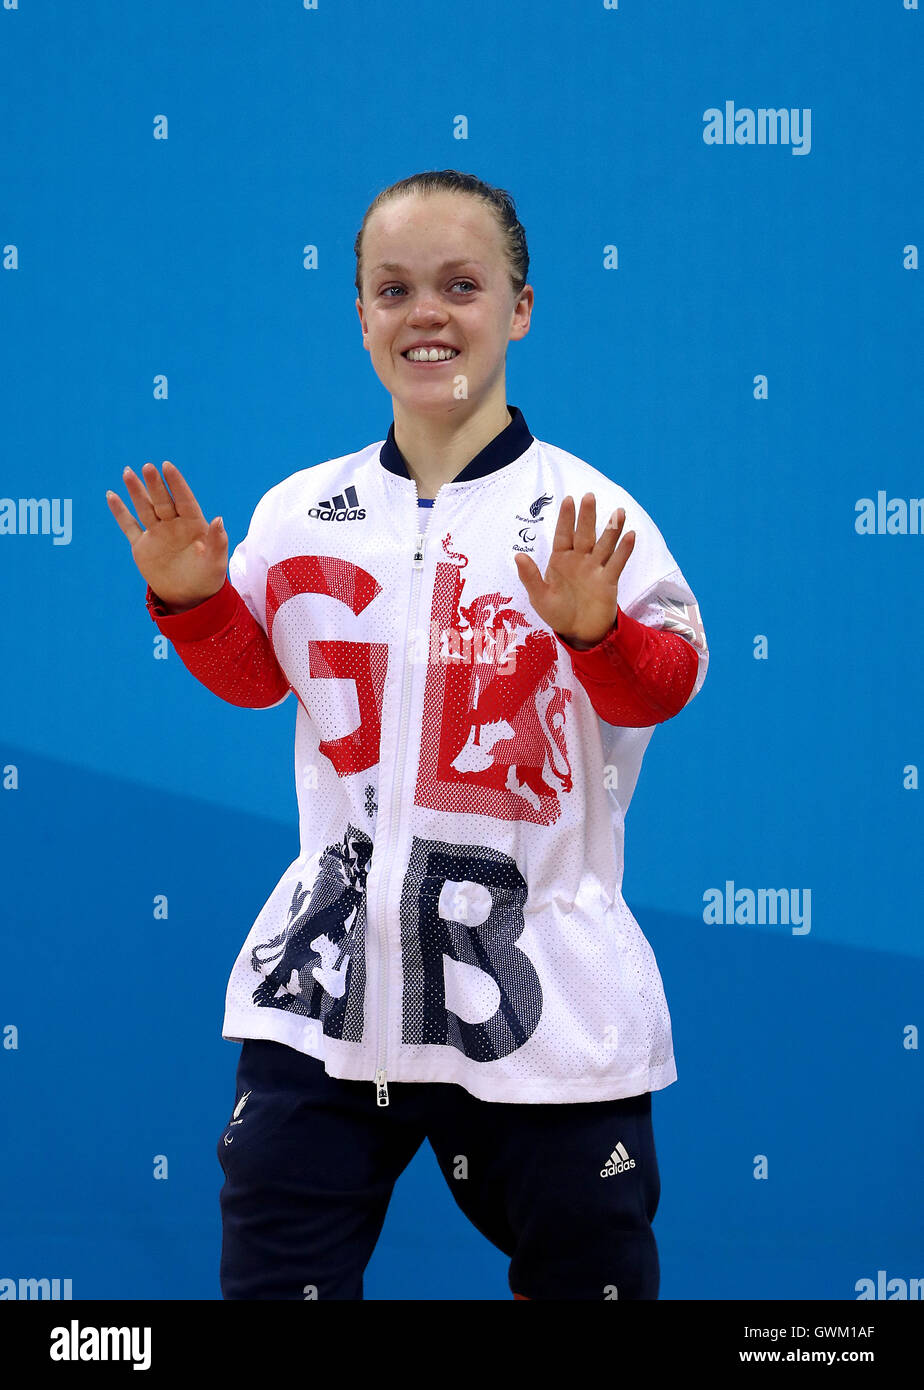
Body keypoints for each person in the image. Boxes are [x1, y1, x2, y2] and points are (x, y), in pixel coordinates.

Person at [106, 169, 708, 1301]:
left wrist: (595, 633)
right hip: (328, 995)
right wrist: (196, 606)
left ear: (520, 308)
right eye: (393, 289)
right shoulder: (298, 511)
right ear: (362, 314)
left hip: (540, 996)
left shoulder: (591, 514)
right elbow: (256, 681)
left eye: (461, 284)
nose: (425, 313)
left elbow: (659, 688)